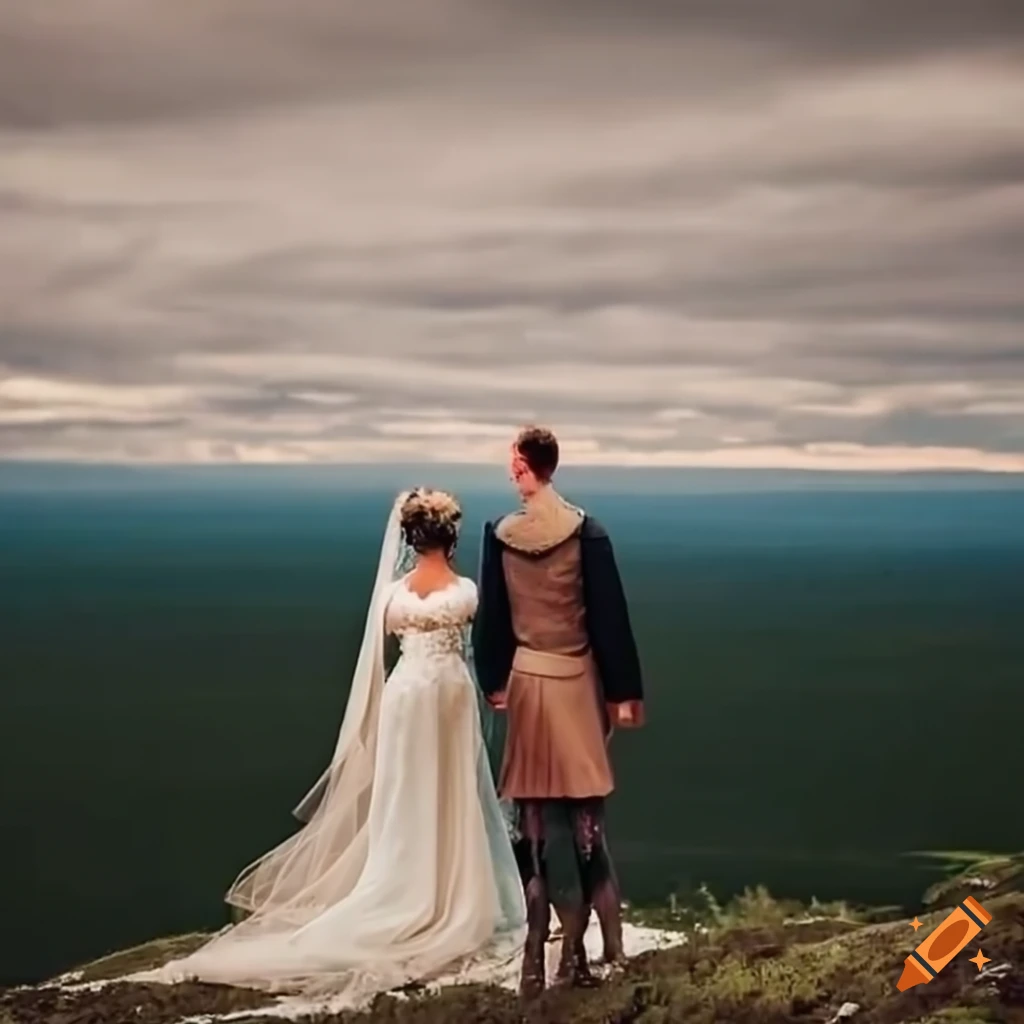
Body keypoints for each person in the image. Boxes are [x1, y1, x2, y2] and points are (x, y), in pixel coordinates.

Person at [136, 489, 525, 1004]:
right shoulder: (468, 592)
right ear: (450, 537)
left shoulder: (393, 597)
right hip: (450, 696)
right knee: (452, 791)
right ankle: (450, 892)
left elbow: (382, 650)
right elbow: (491, 642)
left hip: (407, 697)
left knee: (407, 792)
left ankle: (406, 881)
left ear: (412, 538)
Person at [473, 425, 645, 998]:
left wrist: (493, 679)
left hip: (526, 682)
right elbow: (609, 618)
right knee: (586, 821)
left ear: (523, 466)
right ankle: (578, 956)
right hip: (576, 683)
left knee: (535, 821)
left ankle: (532, 957)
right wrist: (624, 692)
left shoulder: (499, 535)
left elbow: (493, 619)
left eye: (511, 461)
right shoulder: (586, 531)